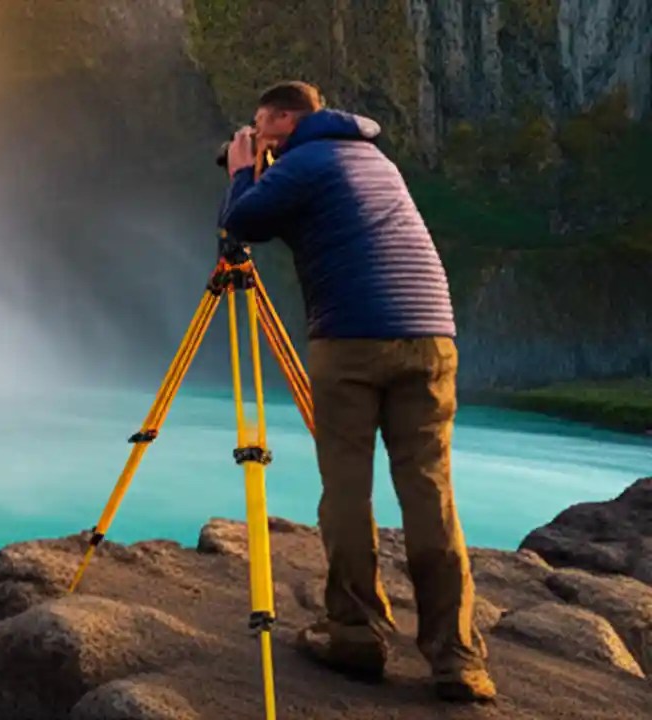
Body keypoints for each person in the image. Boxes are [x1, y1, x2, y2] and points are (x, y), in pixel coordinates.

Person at [217, 81, 496, 703]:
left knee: (346, 485)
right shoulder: (372, 158)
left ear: (284, 118)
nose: (257, 135)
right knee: (430, 491)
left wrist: (240, 171)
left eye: (260, 124)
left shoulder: (306, 161)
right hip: (431, 336)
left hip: (352, 337)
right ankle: (457, 659)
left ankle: (355, 633)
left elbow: (242, 222)